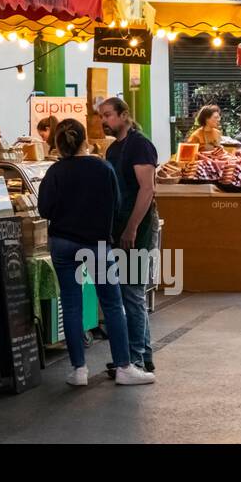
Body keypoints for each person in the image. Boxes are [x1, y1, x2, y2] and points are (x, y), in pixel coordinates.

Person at [38, 119, 155, 387]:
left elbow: (44, 210)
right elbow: (117, 203)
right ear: (83, 141)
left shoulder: (55, 171)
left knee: (71, 304)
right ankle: (124, 366)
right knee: (113, 304)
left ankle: (79, 370)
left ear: (58, 144)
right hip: (98, 244)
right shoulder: (103, 168)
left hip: (63, 243)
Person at [97, 96, 159, 375]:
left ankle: (135, 356)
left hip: (139, 226)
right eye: (102, 116)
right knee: (126, 293)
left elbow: (147, 189)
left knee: (132, 292)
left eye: (108, 115)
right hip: (121, 226)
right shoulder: (113, 150)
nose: (104, 121)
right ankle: (142, 354)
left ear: (124, 115)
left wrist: (133, 227)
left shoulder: (140, 145)